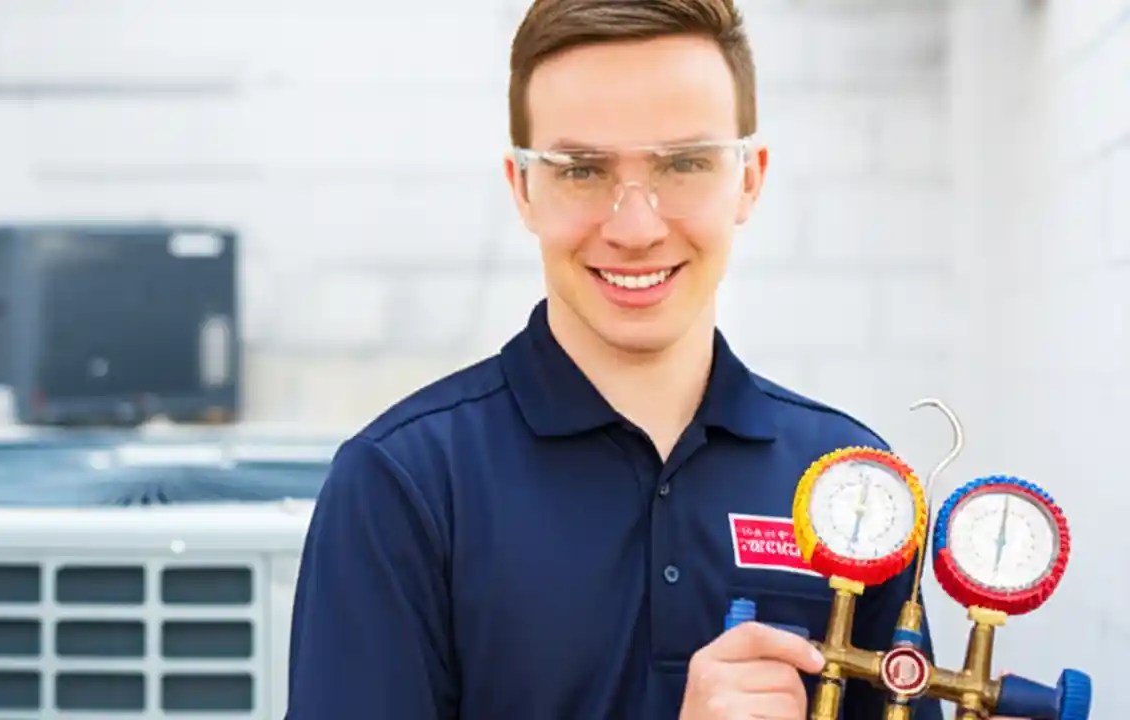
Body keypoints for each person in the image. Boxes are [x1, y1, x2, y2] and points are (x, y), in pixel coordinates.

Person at [287, 1, 1011, 717]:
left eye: (684, 164)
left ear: (749, 179)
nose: (635, 228)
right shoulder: (405, 486)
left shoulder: (851, 483)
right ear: (523, 188)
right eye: (581, 170)